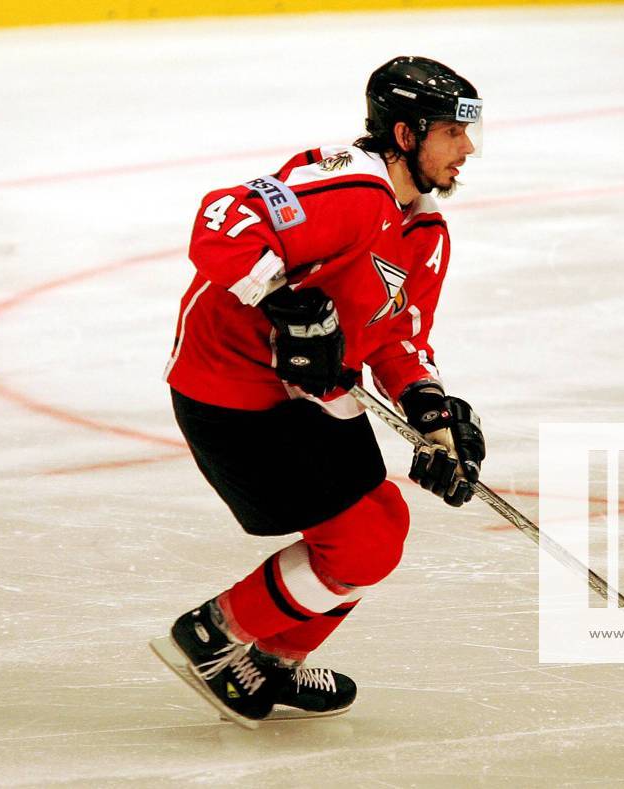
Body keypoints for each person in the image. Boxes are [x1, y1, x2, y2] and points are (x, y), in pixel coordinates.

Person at [151, 55, 487, 729]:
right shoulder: (349, 189)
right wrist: (282, 299)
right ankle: (215, 633)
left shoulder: (425, 232)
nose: (468, 148)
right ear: (405, 135)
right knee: (360, 542)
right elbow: (222, 219)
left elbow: (399, 337)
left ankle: (268, 661)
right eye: (452, 132)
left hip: (307, 390)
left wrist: (432, 409)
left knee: (382, 528)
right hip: (231, 388)